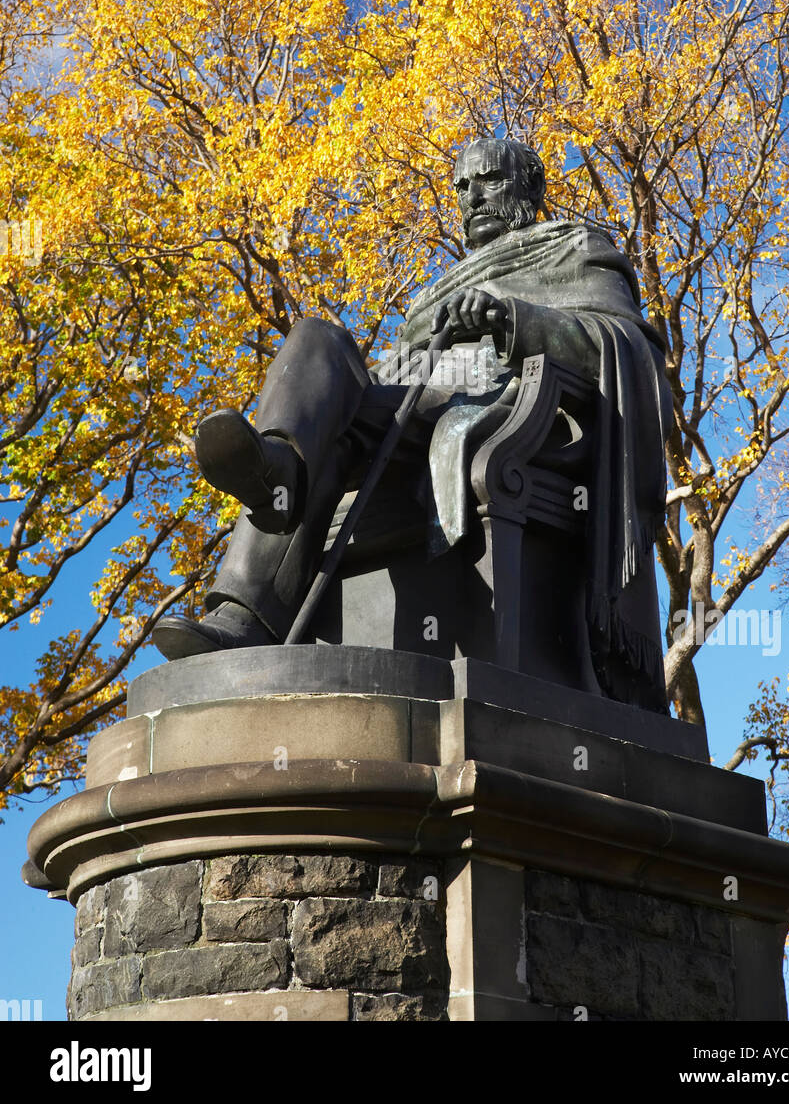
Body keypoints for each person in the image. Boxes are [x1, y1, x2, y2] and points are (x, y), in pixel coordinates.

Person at [154, 137, 673, 713]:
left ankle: (285, 483)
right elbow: (396, 371)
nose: (471, 197)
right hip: (411, 411)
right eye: (461, 187)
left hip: (503, 410)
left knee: (340, 430)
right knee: (317, 340)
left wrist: (511, 319)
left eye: (490, 181)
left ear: (532, 187)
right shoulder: (433, 293)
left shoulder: (573, 249)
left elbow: (632, 353)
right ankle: (259, 552)